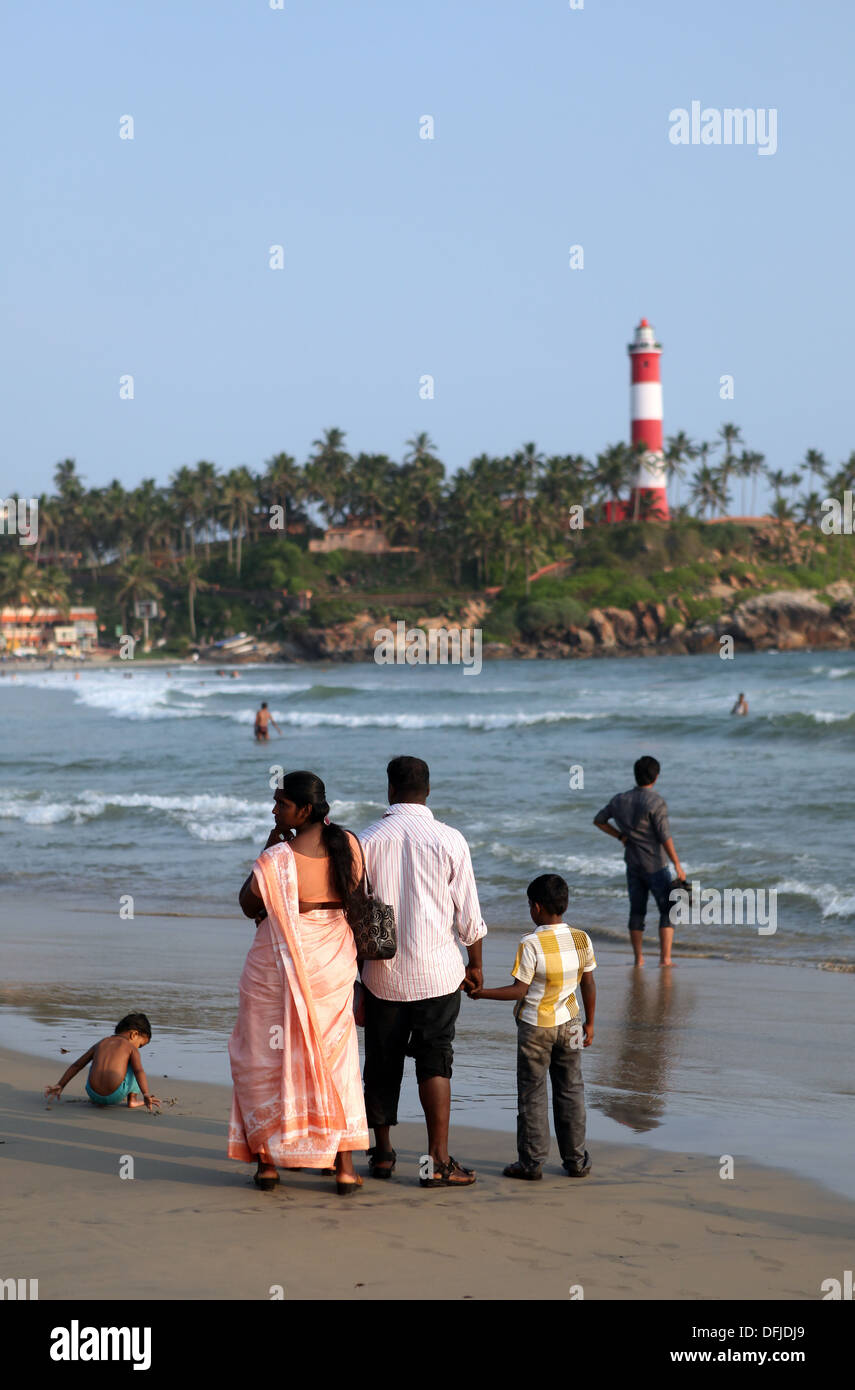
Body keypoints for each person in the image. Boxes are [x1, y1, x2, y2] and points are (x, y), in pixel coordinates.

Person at [229, 771, 369, 1194]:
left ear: (303, 810)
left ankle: (268, 1165)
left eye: (281, 804)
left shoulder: (277, 860)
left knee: (265, 1058)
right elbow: (356, 896)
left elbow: (247, 903)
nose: (274, 810)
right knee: (336, 1062)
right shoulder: (349, 845)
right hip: (331, 964)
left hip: (278, 967)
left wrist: (270, 846)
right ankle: (344, 1167)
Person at [359, 756, 487, 1189]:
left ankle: (382, 1153)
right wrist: (476, 965)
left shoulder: (367, 841)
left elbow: (354, 915)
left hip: (382, 975)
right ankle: (437, 1162)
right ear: (428, 791)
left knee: (381, 1061)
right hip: (439, 974)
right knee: (435, 1060)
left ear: (390, 790)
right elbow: (469, 916)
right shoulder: (450, 839)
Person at [468, 874, 596, 1180]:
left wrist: (480, 993)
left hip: (535, 1027)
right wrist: (591, 1022)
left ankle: (531, 1162)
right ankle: (576, 1160)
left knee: (532, 1094)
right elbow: (589, 984)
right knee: (571, 1090)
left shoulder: (530, 943)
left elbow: (519, 991)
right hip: (573, 1023)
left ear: (535, 907)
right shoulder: (582, 939)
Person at [594, 755, 685, 968]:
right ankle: (665, 959)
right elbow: (664, 836)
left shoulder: (619, 800)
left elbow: (599, 820)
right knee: (667, 910)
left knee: (636, 911)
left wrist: (620, 836)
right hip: (655, 865)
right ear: (656, 776)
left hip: (633, 864)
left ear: (635, 775)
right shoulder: (656, 802)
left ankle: (639, 959)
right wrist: (678, 864)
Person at [44, 1013, 160, 1110]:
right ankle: (132, 1100)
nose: (138, 1048)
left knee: (99, 1061)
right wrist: (145, 1093)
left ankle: (100, 1099)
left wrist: (61, 1084)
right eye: (140, 1045)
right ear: (134, 1034)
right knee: (134, 1066)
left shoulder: (101, 1043)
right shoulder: (130, 1048)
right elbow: (138, 1071)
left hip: (93, 1094)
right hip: (115, 1095)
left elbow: (77, 1065)